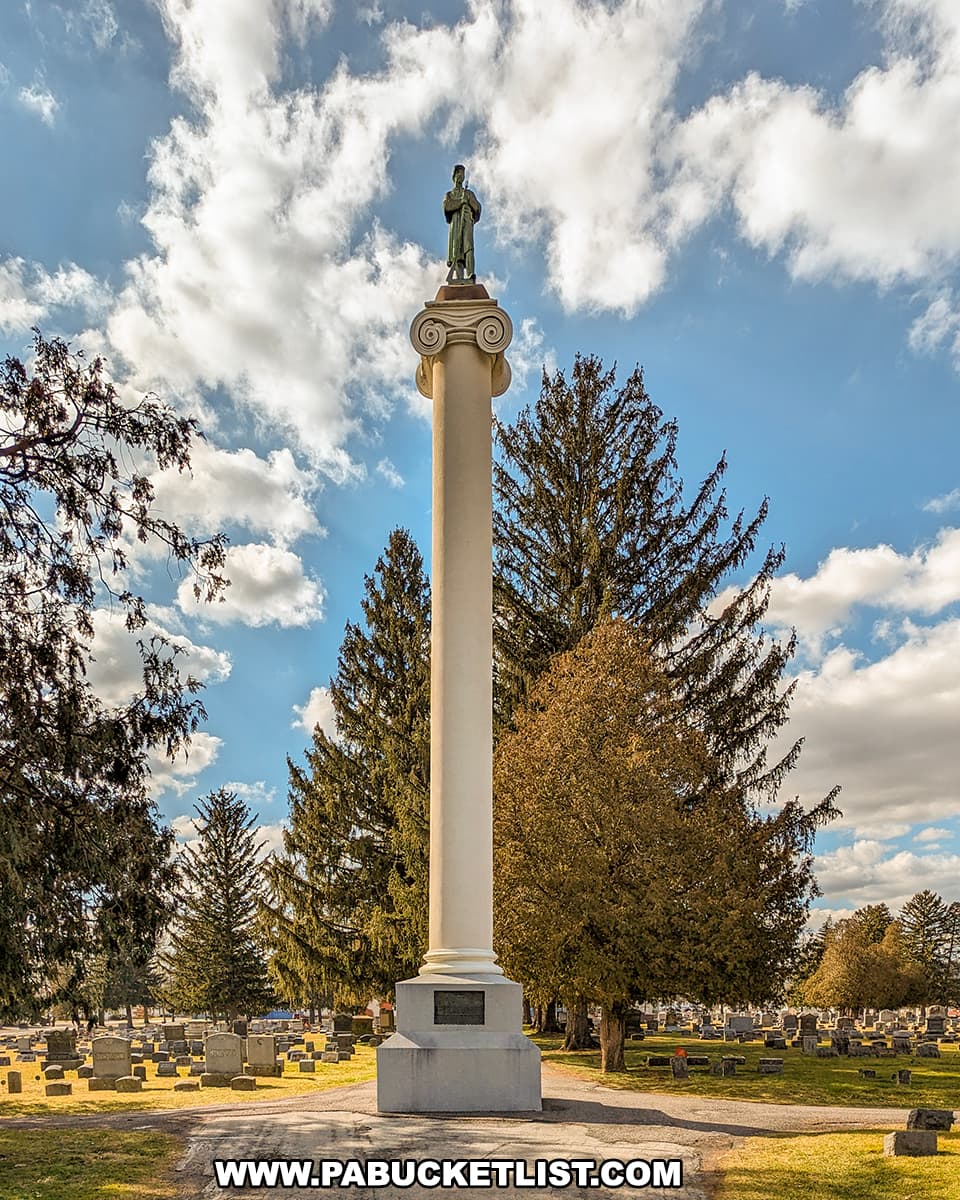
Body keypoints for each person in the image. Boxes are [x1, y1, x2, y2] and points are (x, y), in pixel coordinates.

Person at [444, 164, 481, 284]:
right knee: (457, 249)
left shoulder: (468, 193)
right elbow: (447, 206)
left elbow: (478, 208)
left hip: (467, 221)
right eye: (459, 174)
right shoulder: (449, 195)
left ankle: (470, 274)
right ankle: (459, 277)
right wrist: (460, 202)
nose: (461, 177)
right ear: (454, 176)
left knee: (468, 246)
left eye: (463, 175)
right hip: (455, 223)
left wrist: (469, 201)